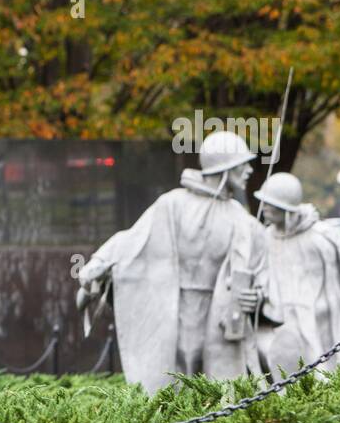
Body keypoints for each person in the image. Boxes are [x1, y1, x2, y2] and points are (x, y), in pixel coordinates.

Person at [75, 130, 277, 393]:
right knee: (175, 383)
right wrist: (93, 273)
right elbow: (132, 241)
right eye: (243, 164)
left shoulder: (242, 220)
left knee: (217, 390)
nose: (250, 170)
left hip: (221, 320)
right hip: (176, 311)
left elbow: (263, 272)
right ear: (225, 168)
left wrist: (258, 297)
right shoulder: (173, 205)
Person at [253, 172, 340, 377]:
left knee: (329, 374)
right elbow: (260, 279)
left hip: (327, 318)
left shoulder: (322, 236)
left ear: (286, 208)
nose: (264, 209)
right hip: (286, 323)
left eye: (270, 204)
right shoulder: (266, 239)